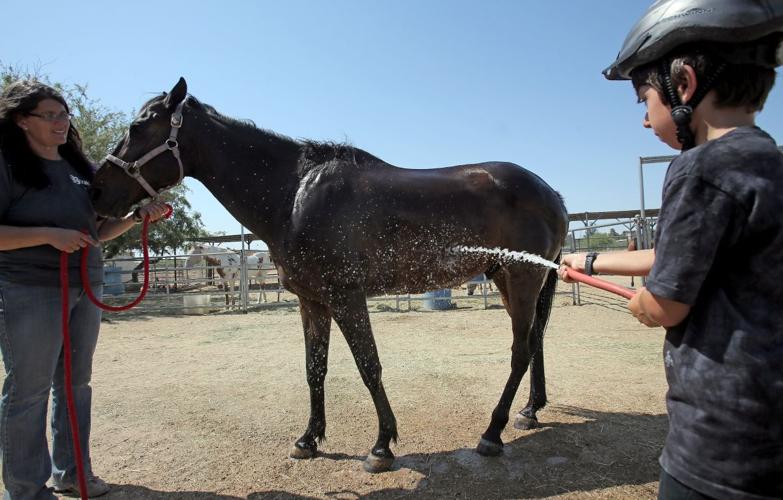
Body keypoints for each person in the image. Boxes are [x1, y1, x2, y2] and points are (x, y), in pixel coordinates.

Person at [559, 2, 783, 498]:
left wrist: (641, 303)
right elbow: (674, 258)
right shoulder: (766, 162)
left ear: (682, 84)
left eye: (644, 100)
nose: (644, 120)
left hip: (719, 445)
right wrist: (589, 260)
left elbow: (664, 304)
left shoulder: (697, 168)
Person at [0, 80, 169, 499]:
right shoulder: (6, 166)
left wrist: (136, 217)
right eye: (50, 115)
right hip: (28, 288)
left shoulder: (80, 169)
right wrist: (46, 235)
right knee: (29, 390)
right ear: (22, 121)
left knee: (76, 384)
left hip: (83, 286)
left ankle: (73, 473)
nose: (61, 123)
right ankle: (25, 490)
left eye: (64, 114)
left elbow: (96, 231)